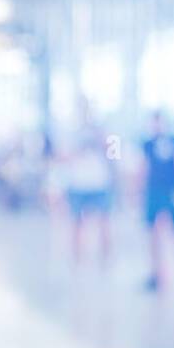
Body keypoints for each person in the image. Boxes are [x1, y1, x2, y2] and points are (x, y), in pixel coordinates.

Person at [140, 111, 174, 291]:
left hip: (169, 191)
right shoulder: (148, 144)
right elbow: (144, 167)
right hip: (154, 190)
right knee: (153, 233)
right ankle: (155, 273)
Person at [63, 103, 114, 263]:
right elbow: (65, 156)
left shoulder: (102, 131)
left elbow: (113, 153)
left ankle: (105, 258)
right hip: (79, 182)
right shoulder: (72, 132)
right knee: (77, 223)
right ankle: (77, 259)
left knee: (103, 221)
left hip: (98, 182)